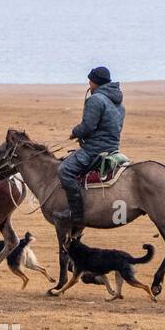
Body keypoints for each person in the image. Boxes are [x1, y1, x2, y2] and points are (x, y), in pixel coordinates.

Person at [56, 66, 125, 225]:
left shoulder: (96, 99)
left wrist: (76, 131)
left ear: (96, 82)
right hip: (113, 148)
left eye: (90, 80)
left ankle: (76, 213)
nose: (89, 82)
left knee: (64, 170)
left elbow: (88, 126)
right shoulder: (118, 103)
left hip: (94, 149)